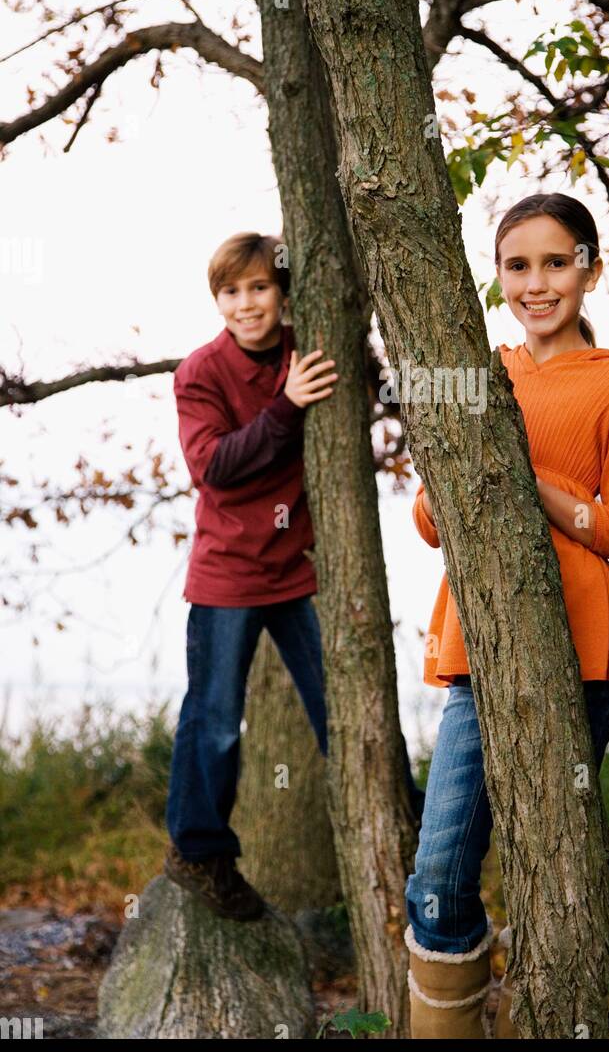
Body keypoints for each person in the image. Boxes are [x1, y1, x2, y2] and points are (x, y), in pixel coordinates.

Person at [403, 193, 609, 1037]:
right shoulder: (482, 368)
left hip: (582, 650)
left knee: (556, 863)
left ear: (589, 267)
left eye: (555, 262)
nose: (536, 283)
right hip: (479, 644)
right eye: (517, 265)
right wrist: (462, 472)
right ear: (497, 275)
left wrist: (531, 479)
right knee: (438, 872)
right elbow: (432, 520)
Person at [164, 231, 424, 921]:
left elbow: (381, 389)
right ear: (217, 301)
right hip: (228, 575)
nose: (247, 304)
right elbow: (213, 466)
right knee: (216, 720)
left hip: (301, 570)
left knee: (346, 706)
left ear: (281, 291)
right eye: (231, 291)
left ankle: (414, 818)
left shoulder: (313, 343)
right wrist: (286, 405)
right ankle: (202, 853)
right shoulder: (201, 372)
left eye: (259, 288)